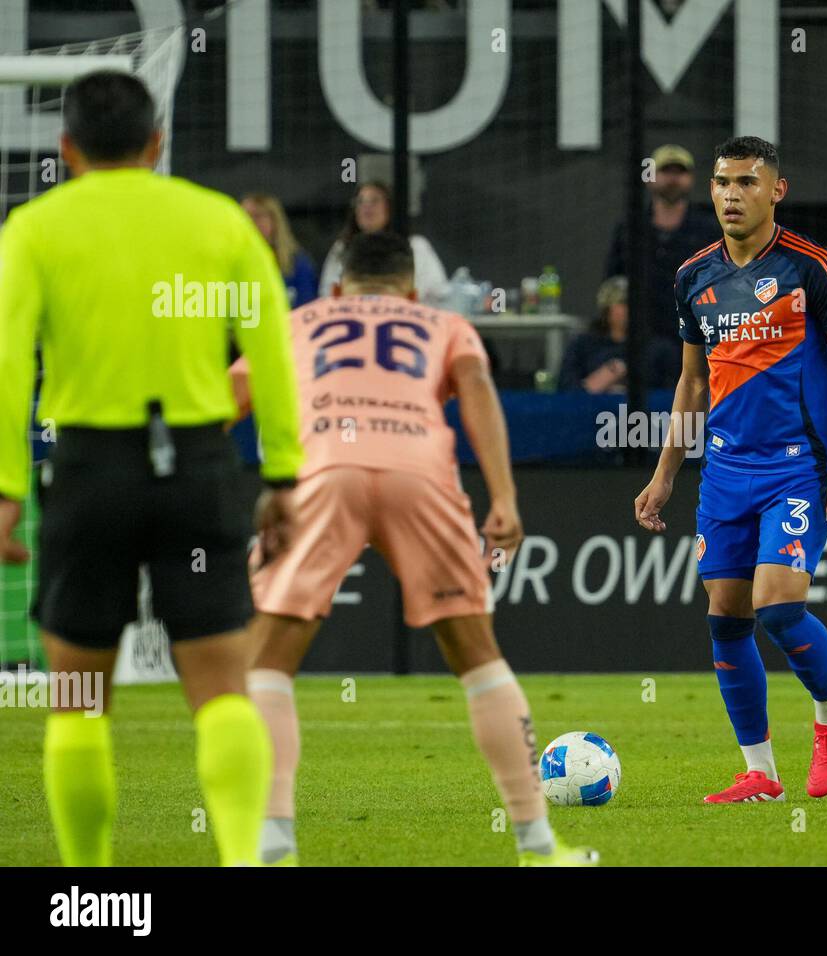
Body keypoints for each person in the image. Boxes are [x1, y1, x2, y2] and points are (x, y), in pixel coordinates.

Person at [0, 71, 302, 867]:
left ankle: (89, 887)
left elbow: (3, 362)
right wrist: (282, 475)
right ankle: (242, 859)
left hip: (88, 471)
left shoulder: (33, 229)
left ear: (65, 150)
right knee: (221, 693)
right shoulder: (220, 223)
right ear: (158, 143)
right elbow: (272, 352)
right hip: (199, 466)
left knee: (76, 702)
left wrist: (5, 488)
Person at [229, 232, 596, 867]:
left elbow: (221, 404)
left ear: (339, 287)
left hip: (323, 474)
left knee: (267, 661)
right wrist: (503, 495)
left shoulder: (300, 320)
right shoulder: (442, 323)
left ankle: (271, 846)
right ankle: (539, 847)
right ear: (409, 289)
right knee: (478, 658)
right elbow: (476, 387)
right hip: (417, 473)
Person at [634, 136, 827, 804]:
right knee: (726, 616)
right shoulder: (694, 276)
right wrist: (665, 473)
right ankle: (761, 772)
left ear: (777, 190)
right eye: (722, 182)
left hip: (797, 467)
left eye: (746, 182)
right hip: (723, 470)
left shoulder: (811, 267)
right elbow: (690, 384)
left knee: (778, 606)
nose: (731, 194)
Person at [605, 144, 720, 352]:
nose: (673, 179)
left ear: (691, 179)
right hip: (640, 336)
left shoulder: (709, 229)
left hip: (695, 332)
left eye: (680, 172)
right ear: (650, 177)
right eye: (665, 171)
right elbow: (612, 281)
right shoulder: (630, 229)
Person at [318, 181, 450, 306]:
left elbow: (437, 291)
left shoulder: (416, 246)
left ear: (390, 207)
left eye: (374, 200)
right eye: (360, 201)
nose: (366, 206)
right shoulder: (342, 247)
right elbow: (327, 293)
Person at [558, 276, 677, 393]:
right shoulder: (583, 346)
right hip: (591, 411)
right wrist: (600, 381)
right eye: (623, 302)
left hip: (645, 412)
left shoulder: (660, 349)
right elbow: (565, 390)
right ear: (607, 309)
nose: (631, 308)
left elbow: (672, 394)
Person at [241, 193, 318, 308]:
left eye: (257, 216)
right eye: (243, 216)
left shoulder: (297, 263)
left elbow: (307, 306)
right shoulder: (230, 262)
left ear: (275, 221)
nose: (250, 222)